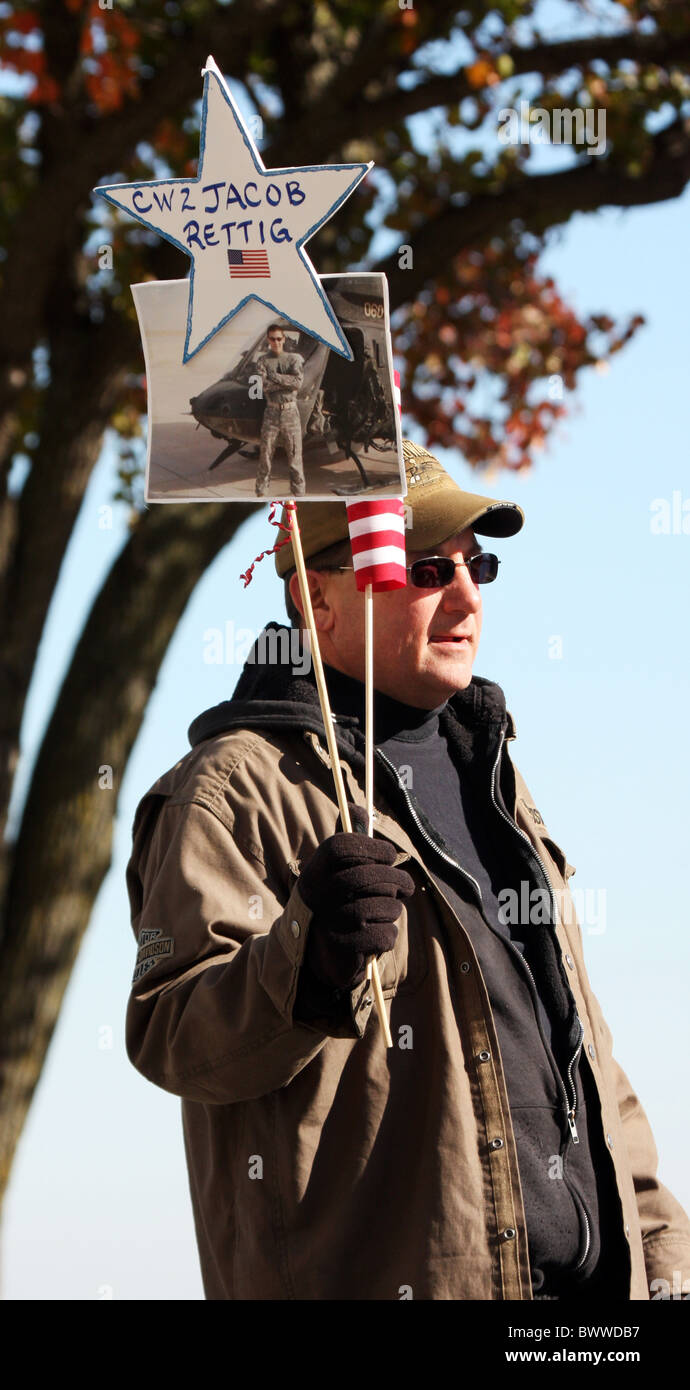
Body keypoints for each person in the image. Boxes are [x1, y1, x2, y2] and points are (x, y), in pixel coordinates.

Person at [124, 439, 690, 1300]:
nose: (466, 596)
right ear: (320, 601)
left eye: (477, 566)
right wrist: (303, 964)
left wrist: (662, 1256)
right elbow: (172, 1035)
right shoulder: (233, 787)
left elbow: (577, 1049)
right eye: (425, 569)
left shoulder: (492, 774)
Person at [255, 324, 305, 497]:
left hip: (291, 413)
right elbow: (265, 386)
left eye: (278, 338)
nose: (275, 342)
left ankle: (299, 494)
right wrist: (286, 382)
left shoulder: (294, 359)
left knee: (295, 459)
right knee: (265, 458)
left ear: (283, 339)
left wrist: (275, 377)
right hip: (271, 413)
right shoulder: (262, 361)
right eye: (272, 339)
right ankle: (261, 494)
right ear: (268, 340)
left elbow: (298, 383)